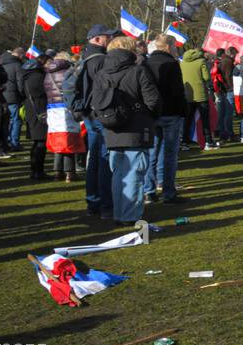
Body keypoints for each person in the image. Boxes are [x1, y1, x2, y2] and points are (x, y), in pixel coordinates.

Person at [97, 36, 162, 226]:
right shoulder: (138, 70)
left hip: (112, 128)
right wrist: (149, 116)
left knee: (119, 174)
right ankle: (129, 215)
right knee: (134, 173)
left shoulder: (102, 73)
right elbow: (153, 100)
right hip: (136, 128)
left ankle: (120, 213)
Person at [76, 25, 114, 215]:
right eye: (108, 36)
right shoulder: (100, 60)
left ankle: (93, 202)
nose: (110, 40)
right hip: (99, 113)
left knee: (94, 159)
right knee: (104, 158)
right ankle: (106, 204)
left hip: (88, 112)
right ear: (98, 39)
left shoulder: (86, 57)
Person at [145, 35, 187, 204]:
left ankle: (149, 190)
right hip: (170, 112)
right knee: (169, 154)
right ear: (168, 47)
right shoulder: (171, 64)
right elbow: (178, 91)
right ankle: (168, 191)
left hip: (153, 113)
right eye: (175, 46)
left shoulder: (146, 63)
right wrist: (184, 110)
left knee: (152, 153)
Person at [43, 51, 84, 182]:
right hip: (66, 108)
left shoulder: (48, 74)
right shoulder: (68, 73)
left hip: (52, 109)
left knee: (58, 142)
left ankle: (57, 172)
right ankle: (70, 173)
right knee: (70, 140)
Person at [21, 52, 50, 181]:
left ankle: (35, 170)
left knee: (37, 142)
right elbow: (43, 93)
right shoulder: (38, 76)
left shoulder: (28, 75)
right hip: (39, 109)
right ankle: (38, 171)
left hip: (31, 109)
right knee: (40, 142)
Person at [180, 43, 214, 149]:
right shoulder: (201, 62)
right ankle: (208, 141)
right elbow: (206, 77)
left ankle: (185, 141)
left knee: (188, 119)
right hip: (201, 94)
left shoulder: (182, 63)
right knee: (205, 119)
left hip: (187, 94)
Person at [0, 47, 24, 152]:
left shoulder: (2, 63)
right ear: (19, 55)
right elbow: (20, 83)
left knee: (5, 121)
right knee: (16, 120)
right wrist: (22, 95)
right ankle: (14, 143)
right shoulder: (17, 65)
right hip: (13, 96)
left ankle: (6, 141)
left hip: (3, 96)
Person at [214, 46, 236, 143]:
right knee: (228, 113)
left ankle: (223, 134)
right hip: (227, 89)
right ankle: (229, 133)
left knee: (222, 113)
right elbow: (228, 76)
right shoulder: (228, 61)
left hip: (220, 89)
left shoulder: (221, 61)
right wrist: (231, 88)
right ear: (232, 53)